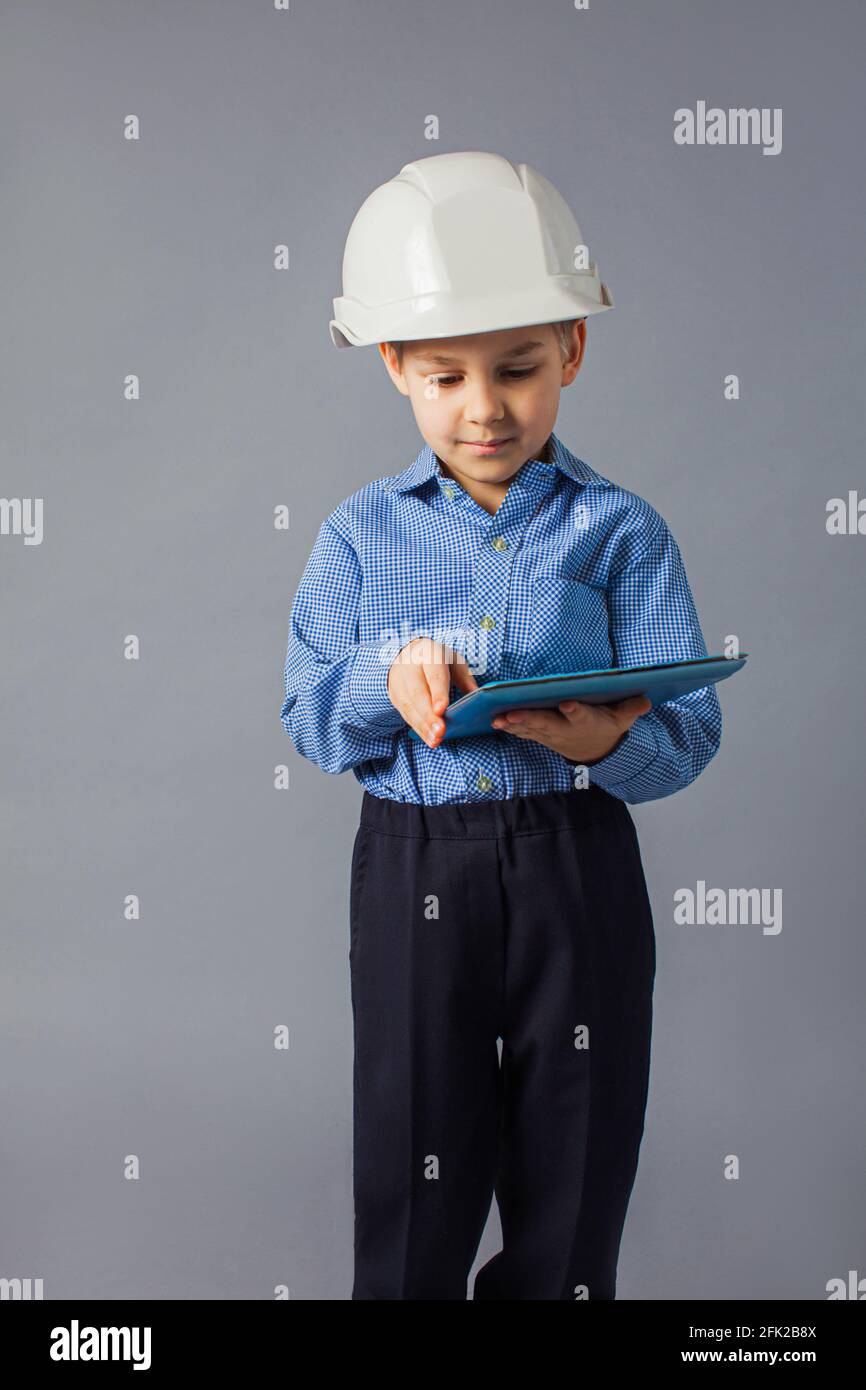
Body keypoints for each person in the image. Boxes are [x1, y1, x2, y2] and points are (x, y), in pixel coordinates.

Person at [280, 151, 722, 1299]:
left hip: (572, 861)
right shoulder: (355, 537)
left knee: (577, 1156)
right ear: (393, 367)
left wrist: (598, 744)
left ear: (571, 350)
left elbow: (687, 736)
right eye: (444, 376)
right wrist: (392, 674)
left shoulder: (620, 531)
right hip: (413, 862)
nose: (484, 407)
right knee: (412, 1146)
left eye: (519, 368)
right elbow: (312, 722)